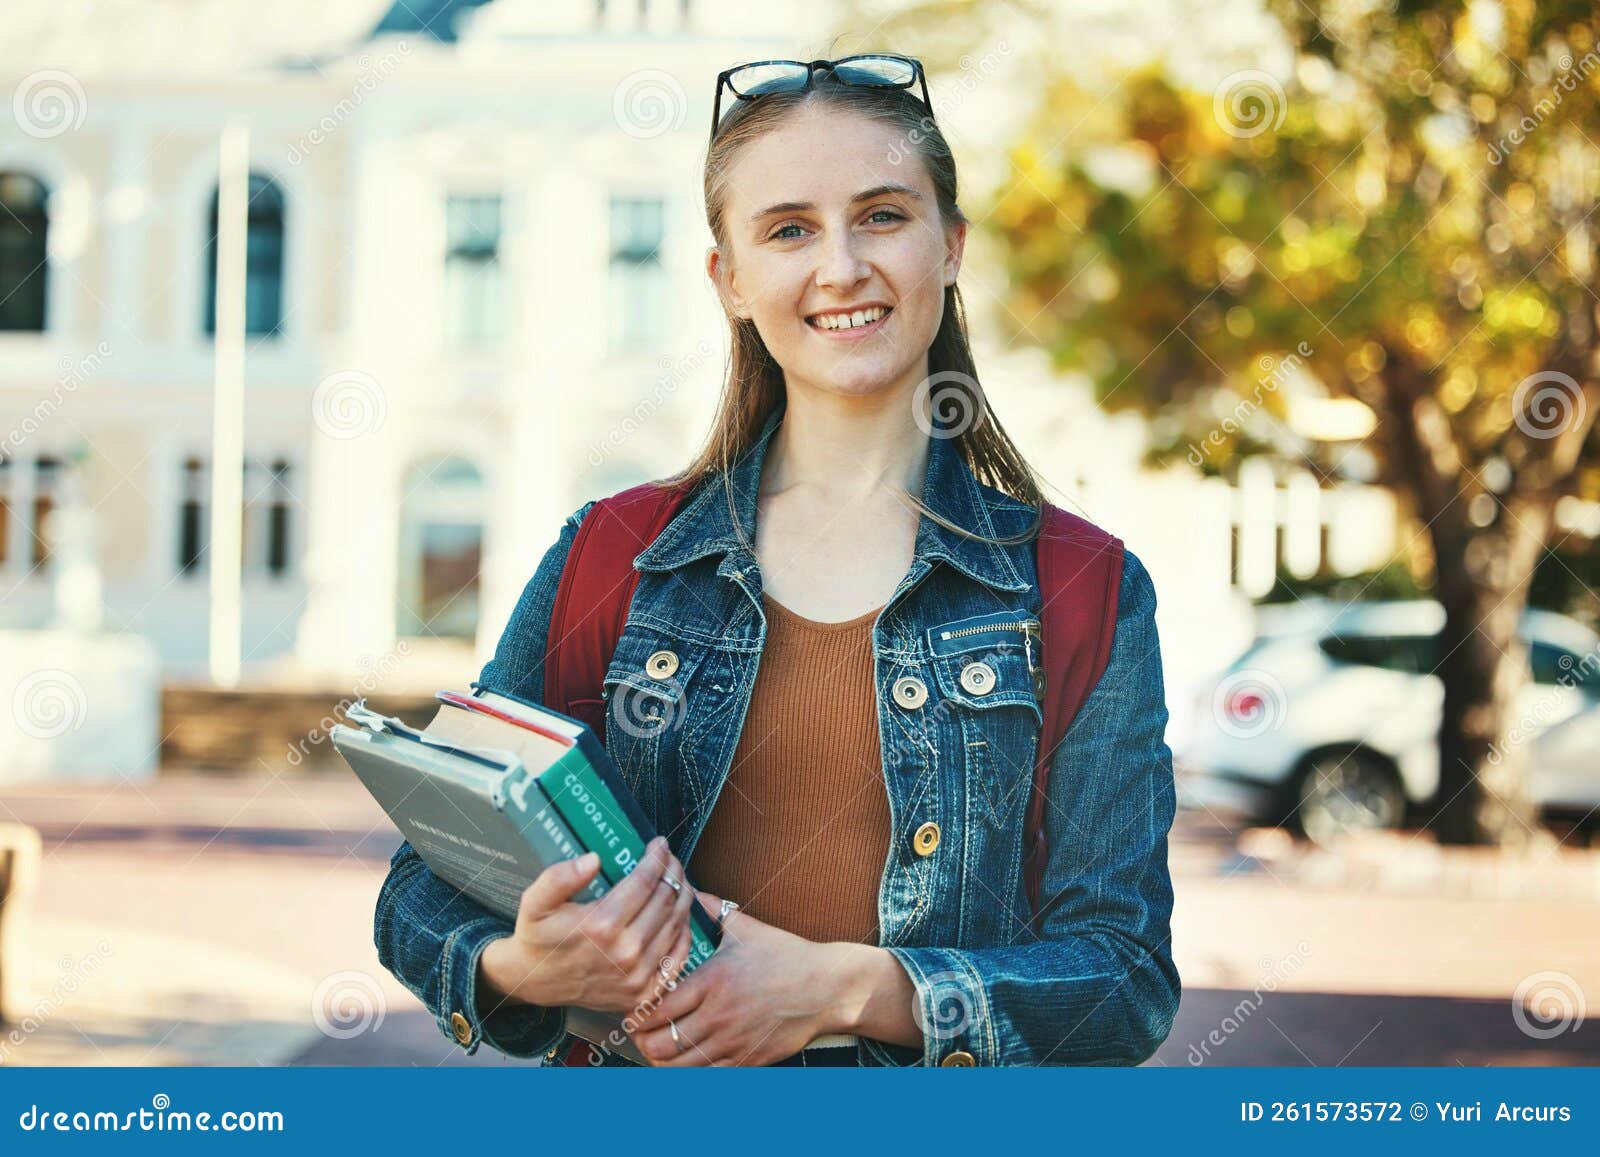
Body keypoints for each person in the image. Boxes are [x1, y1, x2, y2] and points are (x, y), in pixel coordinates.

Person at [374, 53, 1180, 1067]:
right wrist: (522, 969)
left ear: (951, 246)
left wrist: (838, 986)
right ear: (732, 280)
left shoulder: (1081, 588)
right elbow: (420, 887)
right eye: (788, 229)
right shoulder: (614, 556)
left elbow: (1123, 981)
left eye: (883, 215)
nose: (840, 266)